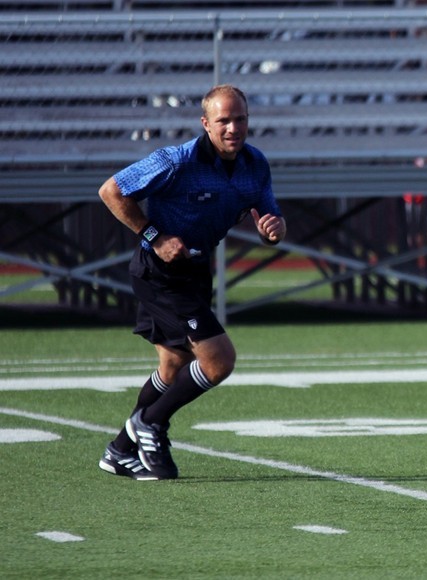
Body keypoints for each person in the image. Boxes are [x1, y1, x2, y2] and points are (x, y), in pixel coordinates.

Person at [96, 84, 287, 480]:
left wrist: (275, 228)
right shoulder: (176, 161)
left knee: (172, 366)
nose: (233, 128)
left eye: (240, 119)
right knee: (218, 361)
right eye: (223, 121)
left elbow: (270, 216)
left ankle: (119, 450)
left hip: (197, 270)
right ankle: (151, 423)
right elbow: (111, 191)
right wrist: (155, 236)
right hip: (158, 272)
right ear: (206, 123)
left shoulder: (255, 164)